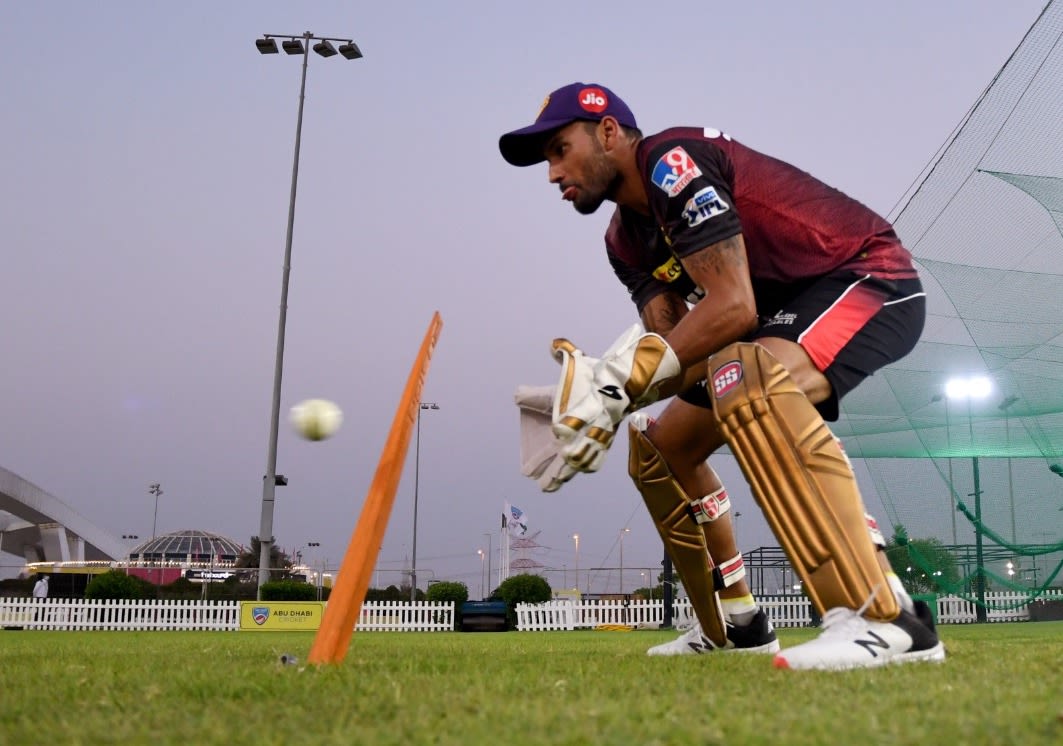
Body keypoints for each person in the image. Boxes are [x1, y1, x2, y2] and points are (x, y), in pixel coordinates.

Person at [500, 82, 944, 670]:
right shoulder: (622, 242)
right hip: (774, 323)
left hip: (865, 276)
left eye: (559, 149)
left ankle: (889, 619)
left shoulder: (670, 162)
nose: (552, 173)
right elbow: (678, 354)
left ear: (608, 132)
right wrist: (593, 405)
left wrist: (615, 387)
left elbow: (733, 306)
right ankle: (736, 623)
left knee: (752, 384)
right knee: (665, 446)